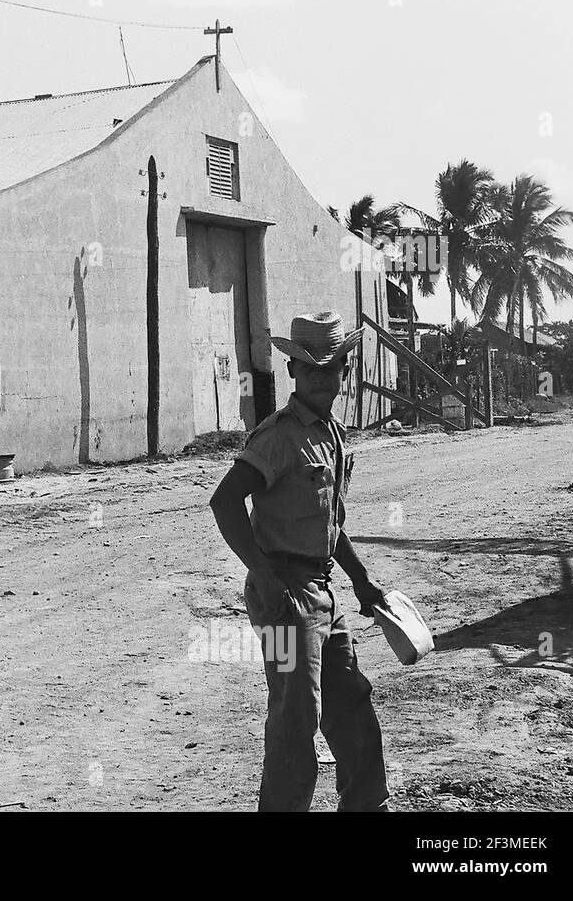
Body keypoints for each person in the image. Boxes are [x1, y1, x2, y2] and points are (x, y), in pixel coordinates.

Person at [209, 310, 390, 812]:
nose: (321, 378)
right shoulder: (280, 435)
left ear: (345, 371)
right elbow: (225, 502)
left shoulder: (330, 434)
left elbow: (330, 525)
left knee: (351, 704)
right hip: (286, 595)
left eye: (331, 368)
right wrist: (264, 578)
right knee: (296, 719)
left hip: (322, 589)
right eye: (310, 369)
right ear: (292, 372)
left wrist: (363, 582)